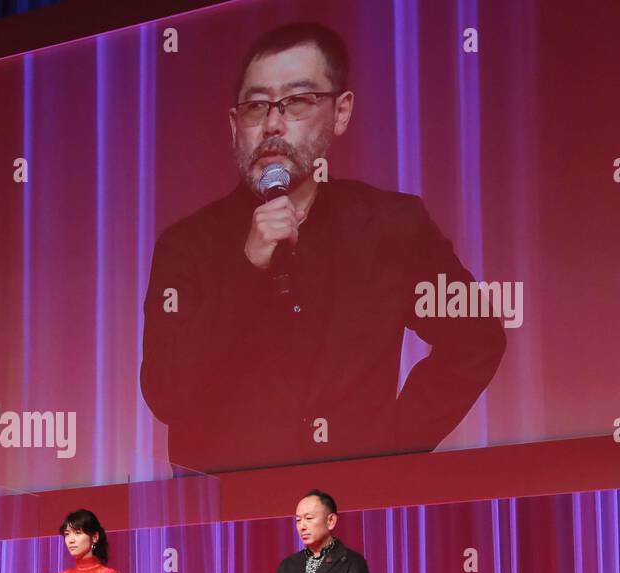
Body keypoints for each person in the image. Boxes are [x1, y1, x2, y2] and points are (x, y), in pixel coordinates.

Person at [141, 21, 506, 475]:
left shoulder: (391, 226)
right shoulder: (188, 245)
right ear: (235, 126)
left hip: (354, 512)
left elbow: (476, 337)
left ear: (341, 111)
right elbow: (166, 393)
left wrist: (388, 449)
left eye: (297, 102)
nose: (273, 123)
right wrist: (247, 266)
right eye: (256, 107)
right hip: (228, 524)